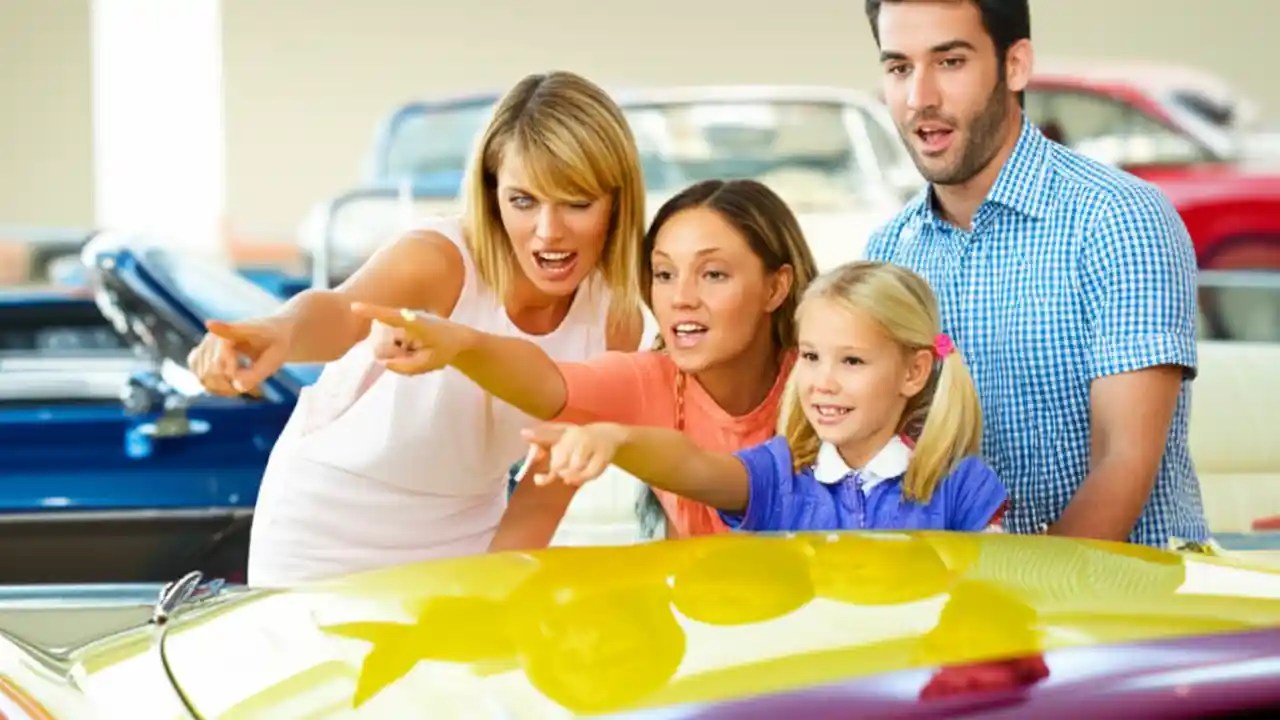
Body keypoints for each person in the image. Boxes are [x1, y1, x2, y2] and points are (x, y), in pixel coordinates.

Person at [185, 70, 648, 586]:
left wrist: (495, 587)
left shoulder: (615, 322)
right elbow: (342, 313)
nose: (548, 232)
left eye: (577, 203)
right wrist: (281, 330)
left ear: (617, 200)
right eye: (523, 201)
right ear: (492, 193)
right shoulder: (439, 260)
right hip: (329, 522)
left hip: (465, 529)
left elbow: (546, 489)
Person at [860, 0, 1207, 546]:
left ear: (1015, 64)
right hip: (958, 590)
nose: (919, 97)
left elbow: (1121, 462)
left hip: (1127, 587)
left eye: (950, 62)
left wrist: (1020, 590)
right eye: (899, 67)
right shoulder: (888, 252)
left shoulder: (1117, 218)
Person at [351, 179, 820, 547]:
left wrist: (619, 442)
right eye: (663, 273)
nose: (680, 298)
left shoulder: (824, 380)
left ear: (775, 288)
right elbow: (546, 380)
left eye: (713, 274)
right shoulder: (649, 380)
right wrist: (460, 344)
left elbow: (710, 471)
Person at [519, 261, 1008, 534]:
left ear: (914, 371)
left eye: (852, 361)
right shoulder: (778, 475)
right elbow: (692, 466)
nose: (823, 381)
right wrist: (616, 441)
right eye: (811, 357)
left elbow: (992, 601)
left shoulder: (962, 487)